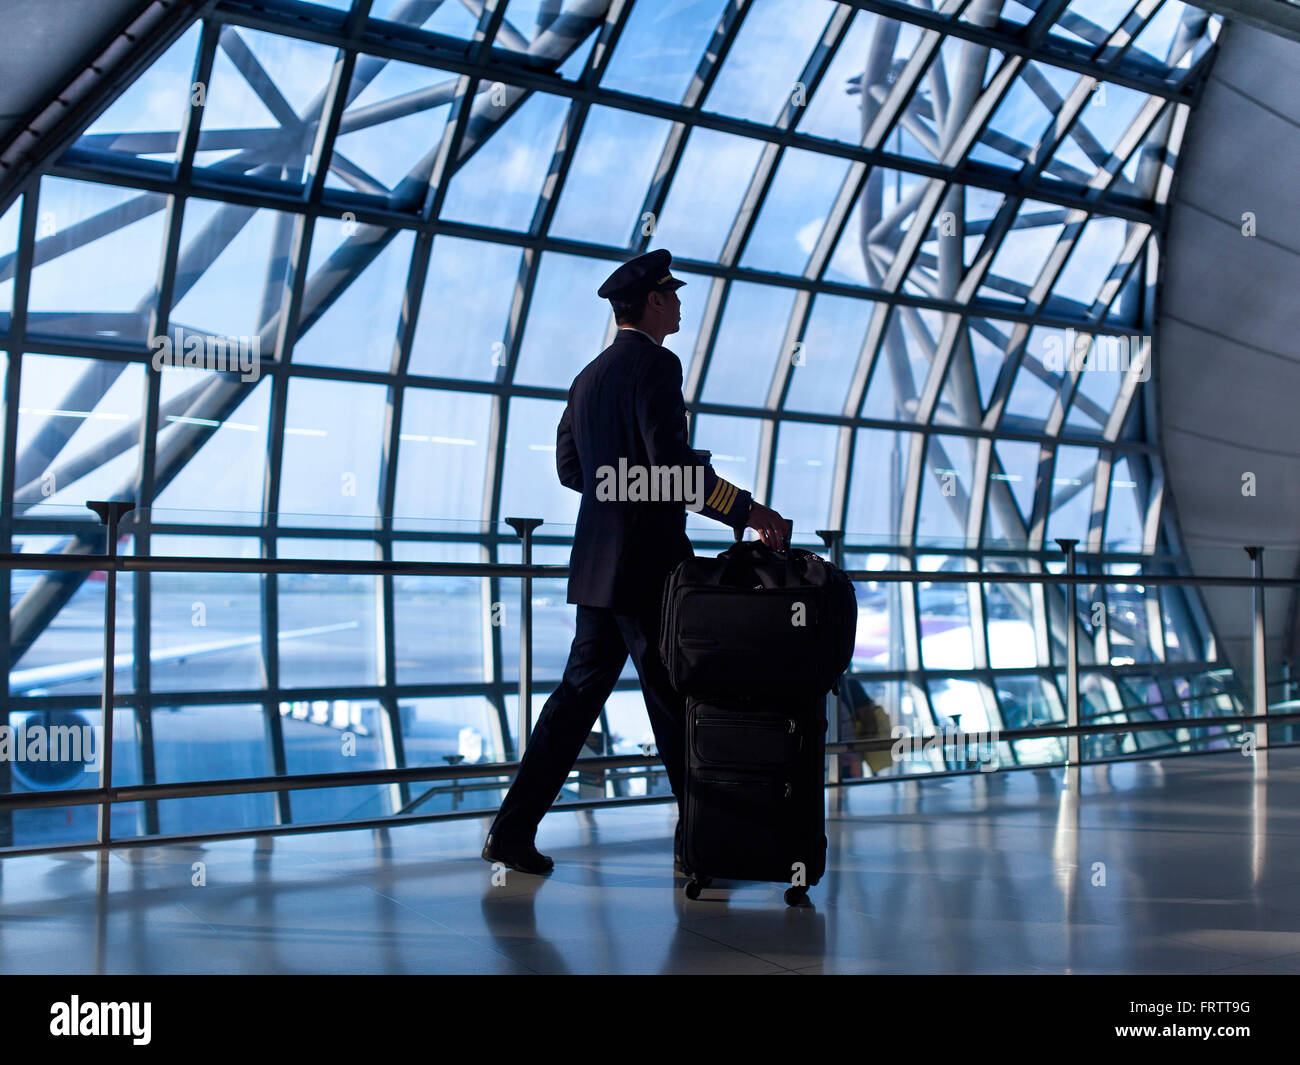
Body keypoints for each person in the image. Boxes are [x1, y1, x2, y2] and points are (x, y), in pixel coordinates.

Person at [481, 248, 790, 875]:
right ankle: (705, 843)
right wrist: (750, 512)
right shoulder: (657, 364)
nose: (678, 305)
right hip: (647, 567)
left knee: (575, 703)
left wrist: (617, 487)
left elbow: (573, 470)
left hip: (597, 566)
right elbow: (675, 471)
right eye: (672, 295)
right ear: (651, 301)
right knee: (677, 699)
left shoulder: (587, 378)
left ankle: (511, 832)